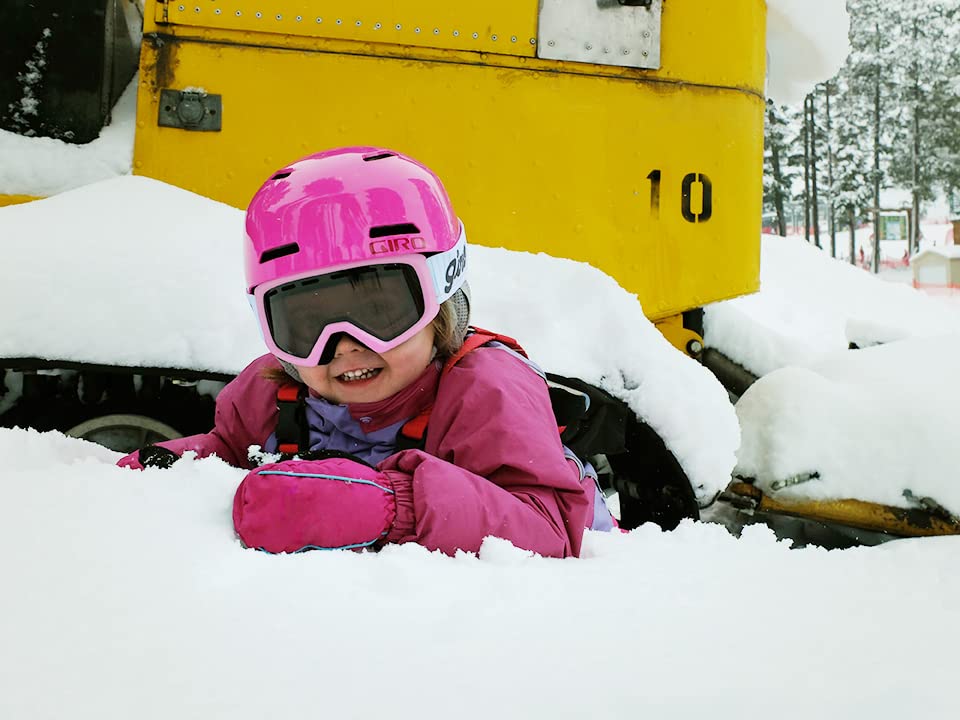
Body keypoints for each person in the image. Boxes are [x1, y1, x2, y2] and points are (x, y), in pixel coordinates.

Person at [119, 146, 613, 557]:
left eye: (380, 312)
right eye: (307, 324)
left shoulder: (486, 392)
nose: (345, 347)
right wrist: (181, 467)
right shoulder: (272, 391)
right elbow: (230, 451)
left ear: (440, 298)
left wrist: (396, 507)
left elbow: (550, 531)